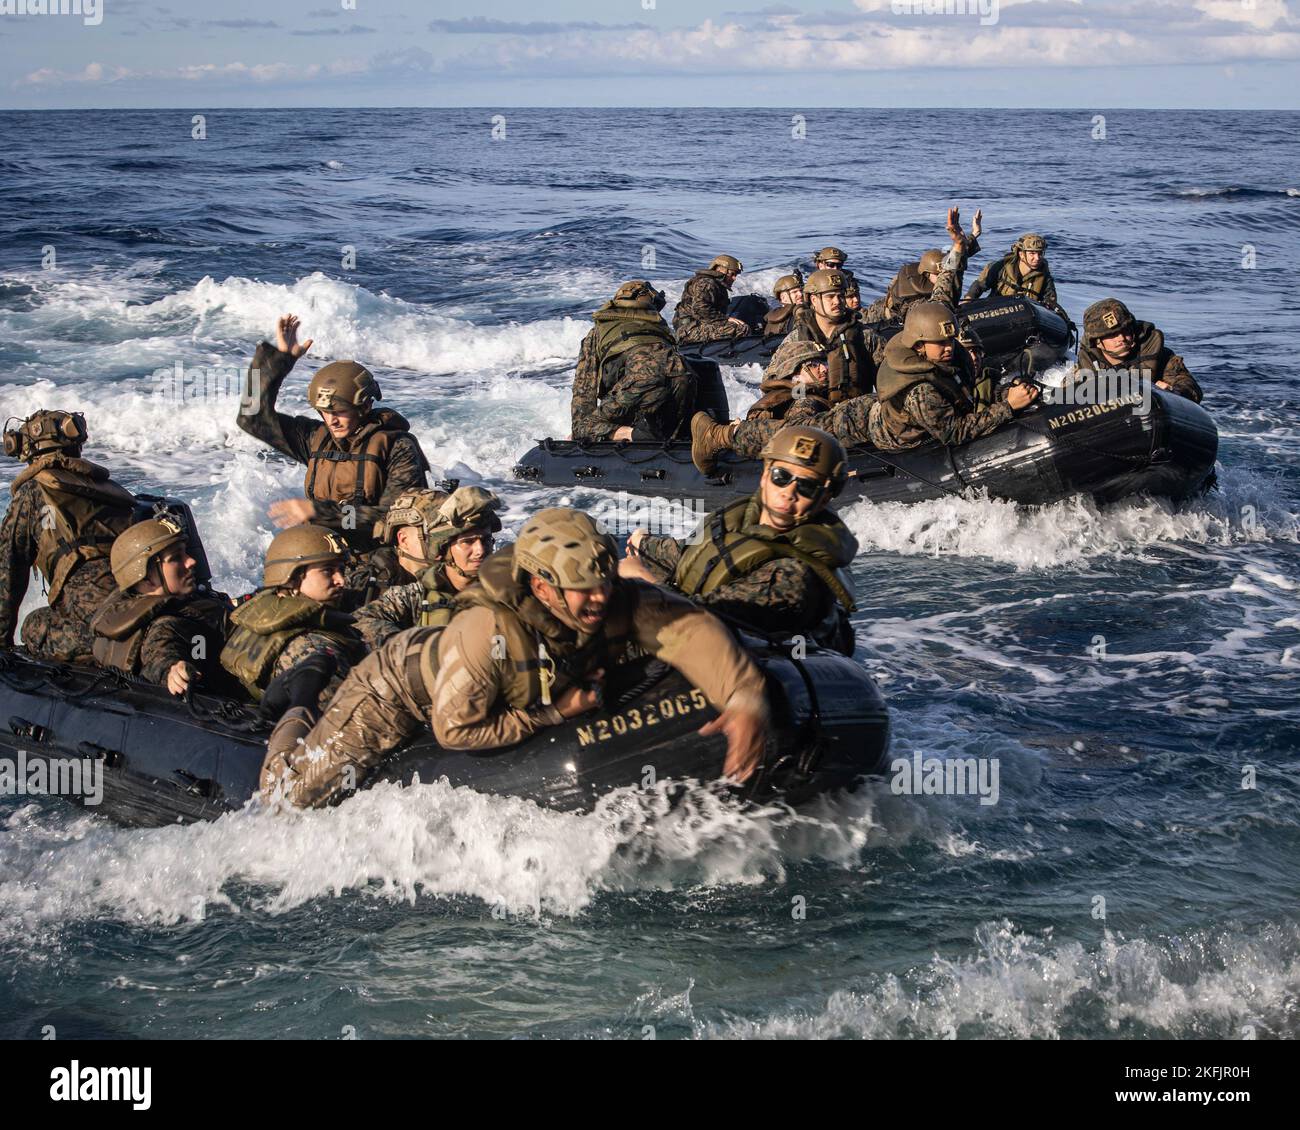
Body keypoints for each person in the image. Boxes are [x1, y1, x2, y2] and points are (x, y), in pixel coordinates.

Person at [260, 508, 771, 809]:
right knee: (289, 801)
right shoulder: (488, 631)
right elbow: (454, 730)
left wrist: (745, 697)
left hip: (493, 684)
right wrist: (553, 714)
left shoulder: (608, 598)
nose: (599, 600)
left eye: (604, 585)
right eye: (582, 590)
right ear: (543, 589)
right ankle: (299, 704)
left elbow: (692, 630)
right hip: (396, 690)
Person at [691, 301, 1040, 470]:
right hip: (845, 415)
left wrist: (1003, 395)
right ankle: (720, 436)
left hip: (866, 405)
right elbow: (954, 432)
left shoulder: (939, 361)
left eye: (952, 343)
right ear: (919, 345)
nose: (949, 349)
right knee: (794, 435)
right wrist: (1006, 407)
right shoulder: (921, 389)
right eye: (940, 343)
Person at [622, 426, 858, 655]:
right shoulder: (738, 520)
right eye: (781, 477)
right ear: (765, 475)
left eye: (807, 486)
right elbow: (694, 551)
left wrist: (643, 582)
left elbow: (701, 620)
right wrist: (644, 544)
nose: (788, 492)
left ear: (825, 497)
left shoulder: (795, 576)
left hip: (726, 656)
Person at [238, 313, 430, 556]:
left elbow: (393, 517)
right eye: (324, 412)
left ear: (364, 407)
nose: (332, 420)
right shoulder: (317, 438)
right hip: (327, 557)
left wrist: (320, 512)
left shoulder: (396, 447)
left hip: (383, 560)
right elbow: (251, 418)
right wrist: (277, 362)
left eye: (340, 411)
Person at [0, 410, 136, 662]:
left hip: (94, 621)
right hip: (137, 608)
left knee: (34, 625)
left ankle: (109, 650)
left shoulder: (33, 492)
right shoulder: (114, 494)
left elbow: (8, 572)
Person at [219, 525, 362, 716]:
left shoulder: (263, 615)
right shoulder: (312, 649)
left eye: (341, 569)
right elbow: (346, 719)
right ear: (293, 579)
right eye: (328, 571)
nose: (341, 580)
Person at [91, 517, 239, 697]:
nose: (191, 561)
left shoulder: (181, 602)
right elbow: (162, 655)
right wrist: (173, 671)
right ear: (145, 577)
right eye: (176, 557)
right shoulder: (167, 625)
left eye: (185, 553)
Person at [353, 485, 502, 649]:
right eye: (468, 542)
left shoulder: (504, 591)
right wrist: (408, 646)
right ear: (444, 549)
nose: (480, 551)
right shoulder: (416, 594)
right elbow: (360, 620)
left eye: (486, 540)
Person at [571, 281, 697, 442]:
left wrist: (582, 431)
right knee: (670, 436)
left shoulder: (598, 332)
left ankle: (634, 435)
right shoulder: (658, 327)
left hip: (641, 383)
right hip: (685, 377)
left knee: (583, 428)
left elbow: (583, 390)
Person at [863, 207, 981, 323]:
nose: (942, 275)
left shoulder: (934, 271)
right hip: (884, 312)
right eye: (938, 274)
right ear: (927, 274)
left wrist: (973, 235)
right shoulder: (917, 301)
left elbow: (954, 260)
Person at [782, 268, 883, 402]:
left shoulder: (866, 337)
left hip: (854, 413)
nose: (837, 301)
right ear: (814, 300)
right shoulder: (796, 339)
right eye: (830, 296)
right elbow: (774, 383)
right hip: (810, 414)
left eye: (841, 296)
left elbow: (887, 384)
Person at [1075, 298, 1203, 403]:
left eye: (1125, 331)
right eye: (1112, 335)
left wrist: (1174, 391)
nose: (1121, 338)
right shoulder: (1086, 366)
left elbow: (1189, 386)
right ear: (1097, 341)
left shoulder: (1160, 356)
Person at [965, 232, 1066, 318]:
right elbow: (979, 286)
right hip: (994, 313)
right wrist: (968, 301)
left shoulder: (1045, 277)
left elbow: (1050, 301)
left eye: (1040, 253)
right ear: (1021, 254)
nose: (1037, 258)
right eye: (1032, 253)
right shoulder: (1000, 268)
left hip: (1024, 320)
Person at [745, 340, 831, 421]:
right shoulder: (802, 401)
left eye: (825, 363)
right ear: (793, 373)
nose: (824, 369)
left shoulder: (815, 392)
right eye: (814, 365)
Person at [672, 255, 750, 344]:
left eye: (735, 275)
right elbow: (700, 309)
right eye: (732, 274)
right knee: (741, 329)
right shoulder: (707, 283)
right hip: (689, 331)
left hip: (695, 326)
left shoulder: (715, 284)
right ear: (721, 270)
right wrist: (725, 319)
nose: (734, 278)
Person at [763, 272, 805, 338]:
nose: (800, 294)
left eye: (801, 290)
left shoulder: (772, 317)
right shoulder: (799, 316)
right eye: (794, 292)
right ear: (783, 298)